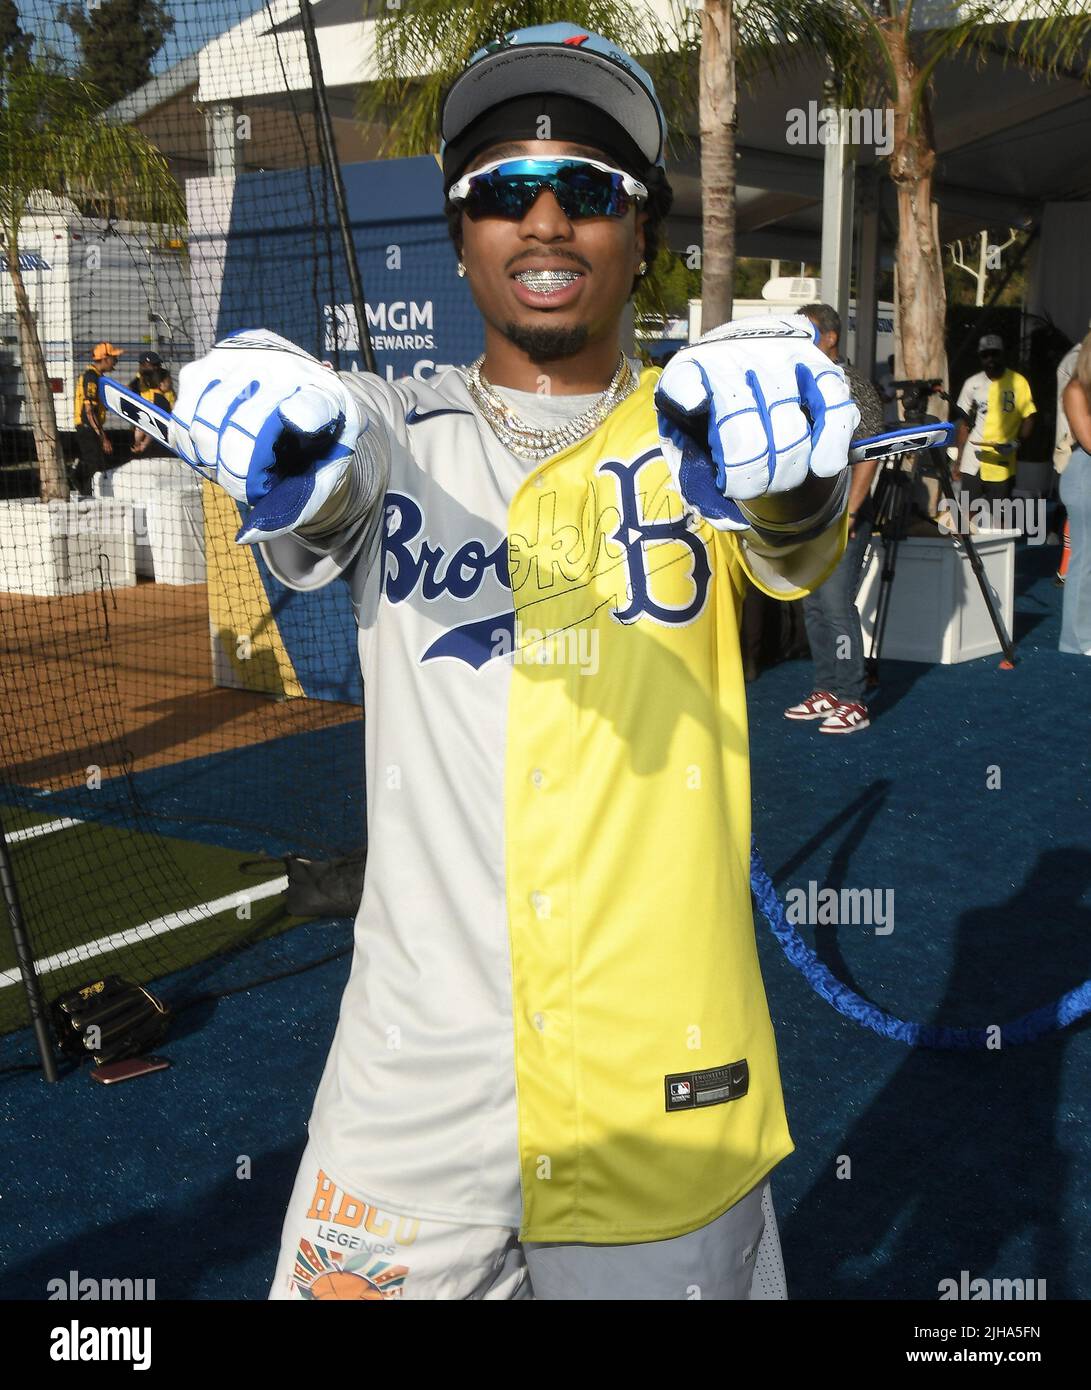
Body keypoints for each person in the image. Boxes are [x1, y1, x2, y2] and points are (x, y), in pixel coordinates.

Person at [167, 25, 860, 1301]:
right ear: (457, 227)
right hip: (411, 1098)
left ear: (639, 230)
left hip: (661, 1085)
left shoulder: (712, 437)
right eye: (502, 189)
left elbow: (791, 531)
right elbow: (324, 465)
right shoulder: (392, 424)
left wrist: (799, 467)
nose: (545, 221)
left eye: (589, 190)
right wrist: (274, 415)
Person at [783, 303, 883, 734]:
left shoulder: (851, 383)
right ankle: (826, 689)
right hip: (806, 514)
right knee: (813, 605)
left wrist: (854, 510)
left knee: (836, 607)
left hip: (844, 513)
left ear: (830, 337)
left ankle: (852, 699)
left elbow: (870, 452)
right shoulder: (797, 383)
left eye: (802, 332)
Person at [953, 333, 1036, 510]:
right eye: (985, 355)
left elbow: (1029, 417)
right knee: (967, 512)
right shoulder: (972, 383)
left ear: (1002, 354)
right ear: (980, 357)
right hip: (973, 458)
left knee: (999, 516)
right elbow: (964, 423)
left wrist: (1017, 443)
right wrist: (959, 459)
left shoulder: (1018, 382)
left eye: (995, 354)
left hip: (1001, 461)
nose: (990, 359)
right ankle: (963, 538)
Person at [1059, 331, 1091, 654]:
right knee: (1084, 559)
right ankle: (1076, 640)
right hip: (1084, 475)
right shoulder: (1076, 389)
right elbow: (1088, 439)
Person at [73, 341, 121, 494]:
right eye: (114, 358)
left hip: (90, 426)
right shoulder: (91, 377)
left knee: (98, 462)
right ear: (105, 359)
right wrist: (102, 436)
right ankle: (76, 476)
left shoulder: (97, 376)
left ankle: (87, 490)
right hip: (87, 427)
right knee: (93, 462)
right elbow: (89, 411)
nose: (116, 362)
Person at [127, 350, 175, 455]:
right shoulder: (138, 380)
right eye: (154, 365)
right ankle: (138, 445)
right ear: (144, 365)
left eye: (158, 364)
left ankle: (141, 445)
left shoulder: (162, 378)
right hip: (145, 419)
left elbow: (168, 404)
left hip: (164, 422)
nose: (157, 367)